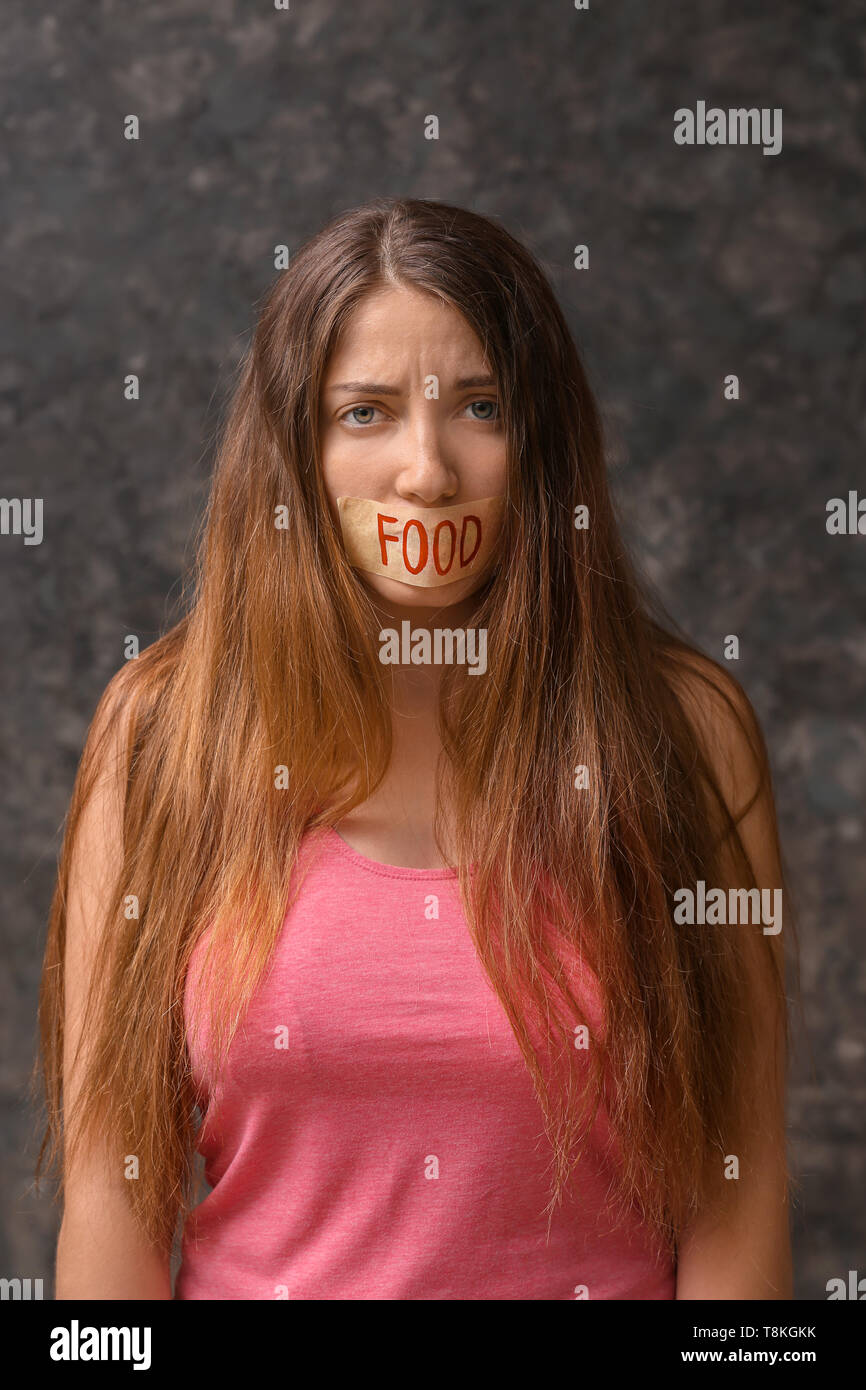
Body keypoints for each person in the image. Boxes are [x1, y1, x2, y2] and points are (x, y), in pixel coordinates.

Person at [35, 196, 794, 1300]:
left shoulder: (684, 731)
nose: (426, 472)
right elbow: (110, 1195)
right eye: (366, 413)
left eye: (479, 406)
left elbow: (739, 1188)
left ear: (541, 440)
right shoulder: (160, 733)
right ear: (292, 448)